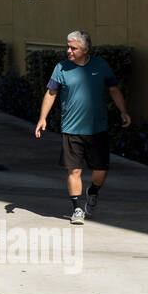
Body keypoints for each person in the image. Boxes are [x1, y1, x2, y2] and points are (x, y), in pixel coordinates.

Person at [34, 30, 131, 224]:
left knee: (101, 169)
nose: (68, 51)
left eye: (73, 48)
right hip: (71, 129)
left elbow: (113, 89)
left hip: (97, 129)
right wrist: (42, 118)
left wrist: (123, 111)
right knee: (74, 170)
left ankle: (93, 191)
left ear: (85, 50)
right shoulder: (61, 67)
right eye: (67, 47)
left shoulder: (100, 66)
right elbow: (51, 93)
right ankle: (77, 208)